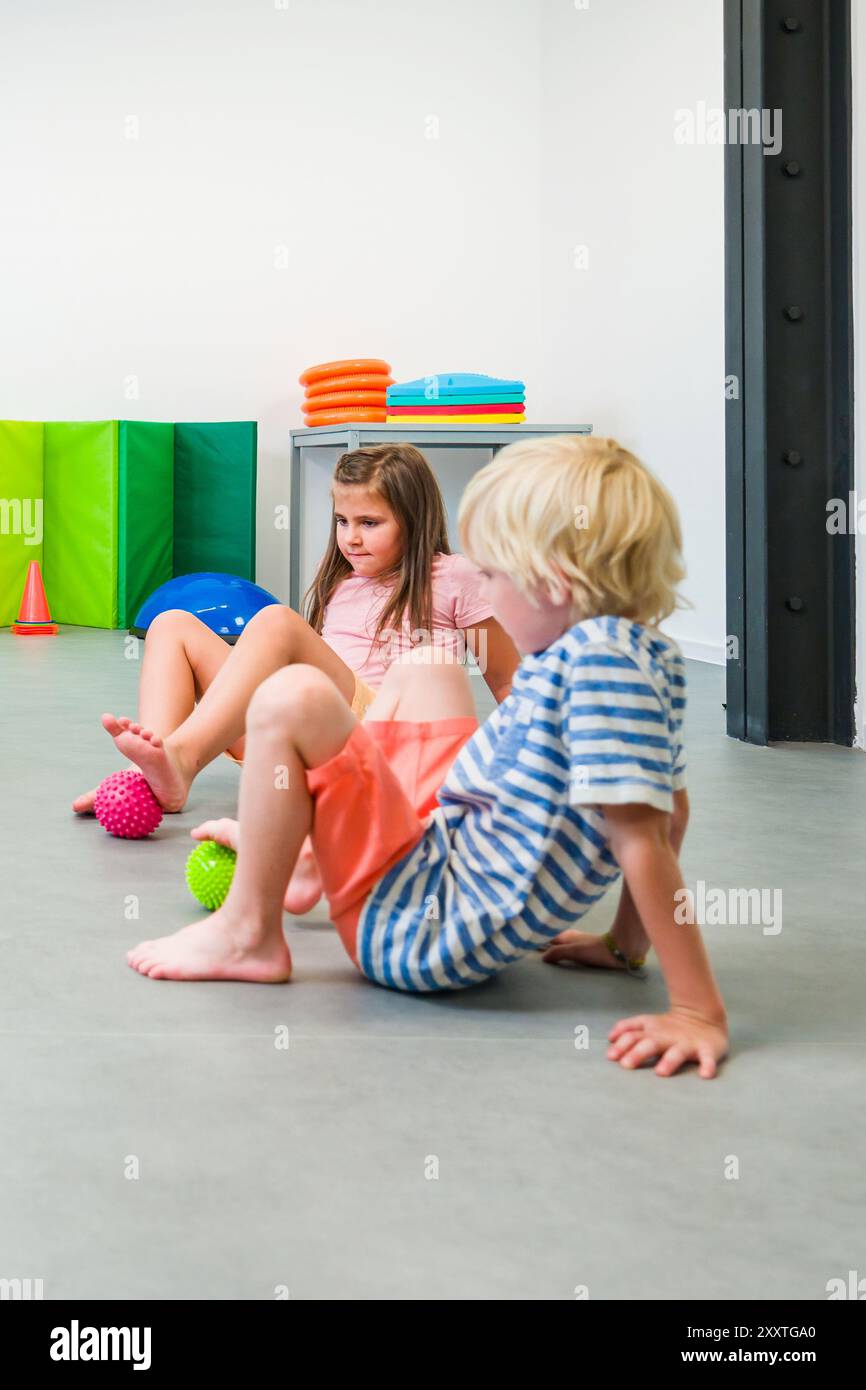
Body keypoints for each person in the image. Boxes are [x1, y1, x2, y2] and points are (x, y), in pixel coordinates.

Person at [126, 435, 728, 1080]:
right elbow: (673, 813)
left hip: (414, 932)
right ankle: (305, 866)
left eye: (495, 577)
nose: (486, 594)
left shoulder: (594, 667)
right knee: (332, 689)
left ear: (554, 582)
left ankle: (248, 930)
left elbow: (643, 837)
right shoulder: (639, 657)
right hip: (426, 883)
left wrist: (696, 1011)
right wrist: (623, 945)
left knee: (292, 696)